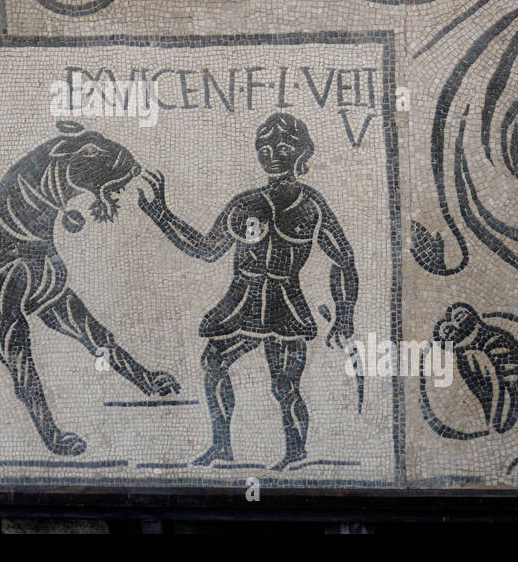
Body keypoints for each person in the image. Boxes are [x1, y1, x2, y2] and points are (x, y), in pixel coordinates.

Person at [138, 112, 358, 470]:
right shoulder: (245, 203)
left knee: (285, 384)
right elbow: (207, 248)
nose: (273, 153)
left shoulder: (312, 205)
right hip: (242, 300)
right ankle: (222, 447)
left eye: (284, 146)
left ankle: (296, 452)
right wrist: (162, 214)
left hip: (285, 303)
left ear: (301, 153)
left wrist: (345, 314)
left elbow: (344, 259)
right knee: (213, 362)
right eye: (266, 146)